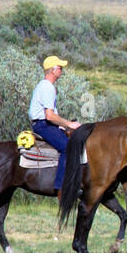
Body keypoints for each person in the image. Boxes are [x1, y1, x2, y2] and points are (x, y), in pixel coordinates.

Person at [29, 55, 81, 194]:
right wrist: (70, 124)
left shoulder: (45, 86)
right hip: (43, 125)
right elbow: (50, 116)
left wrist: (63, 125)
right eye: (60, 68)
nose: (61, 70)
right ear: (52, 70)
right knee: (68, 148)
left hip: (45, 124)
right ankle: (61, 186)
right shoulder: (47, 87)